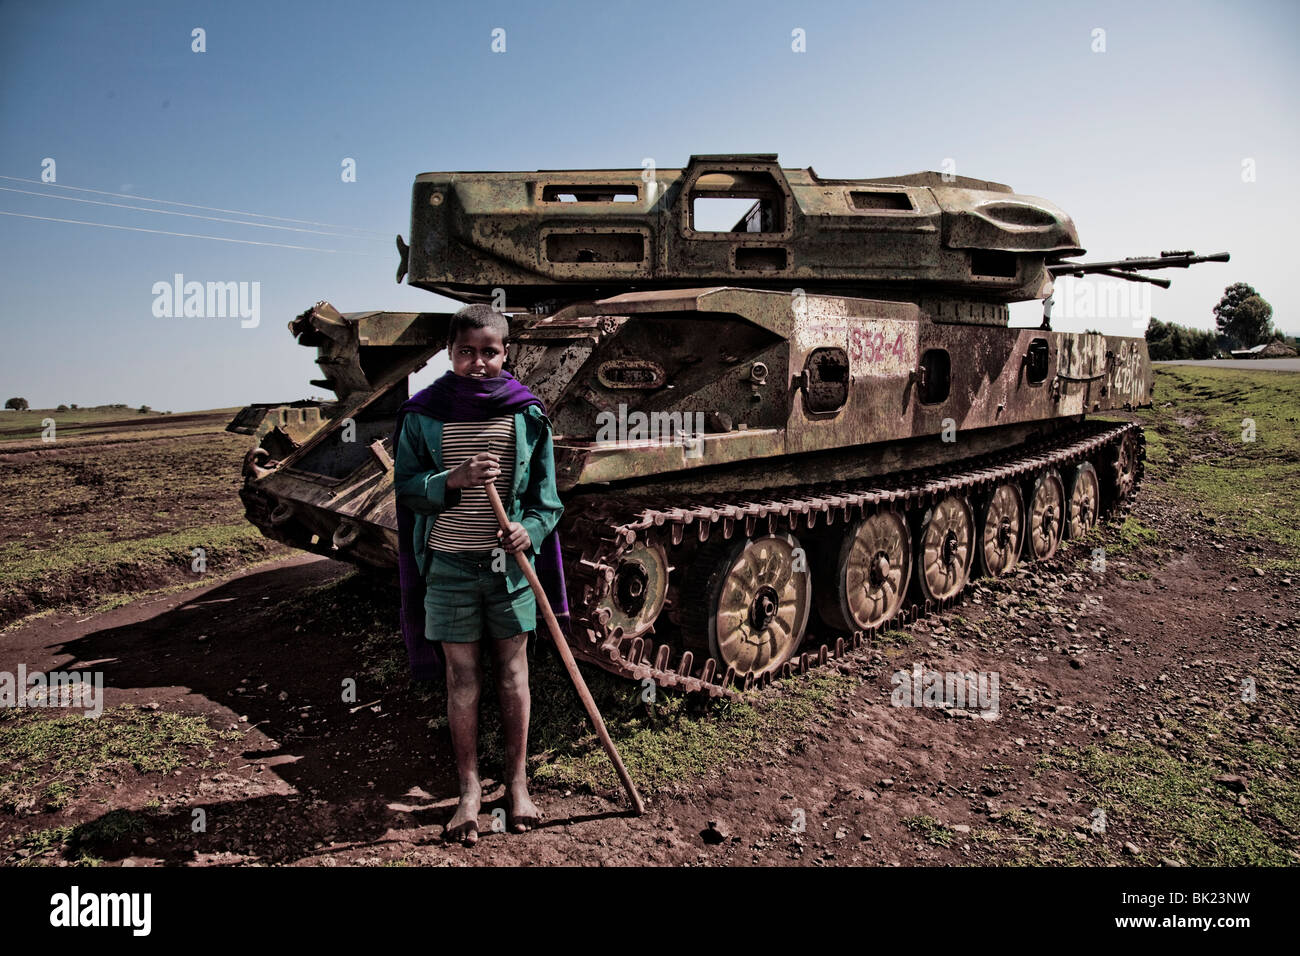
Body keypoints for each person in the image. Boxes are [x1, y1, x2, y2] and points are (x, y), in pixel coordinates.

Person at [393, 303, 565, 846]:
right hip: (448, 567)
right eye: (466, 352)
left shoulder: (526, 414)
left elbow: (546, 501)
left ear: (505, 352)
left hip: (508, 571)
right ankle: (468, 790)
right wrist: (454, 478)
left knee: (514, 675)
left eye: (489, 352)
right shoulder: (424, 413)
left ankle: (517, 783)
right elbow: (407, 489)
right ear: (450, 352)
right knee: (462, 678)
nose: (478, 362)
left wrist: (529, 533)